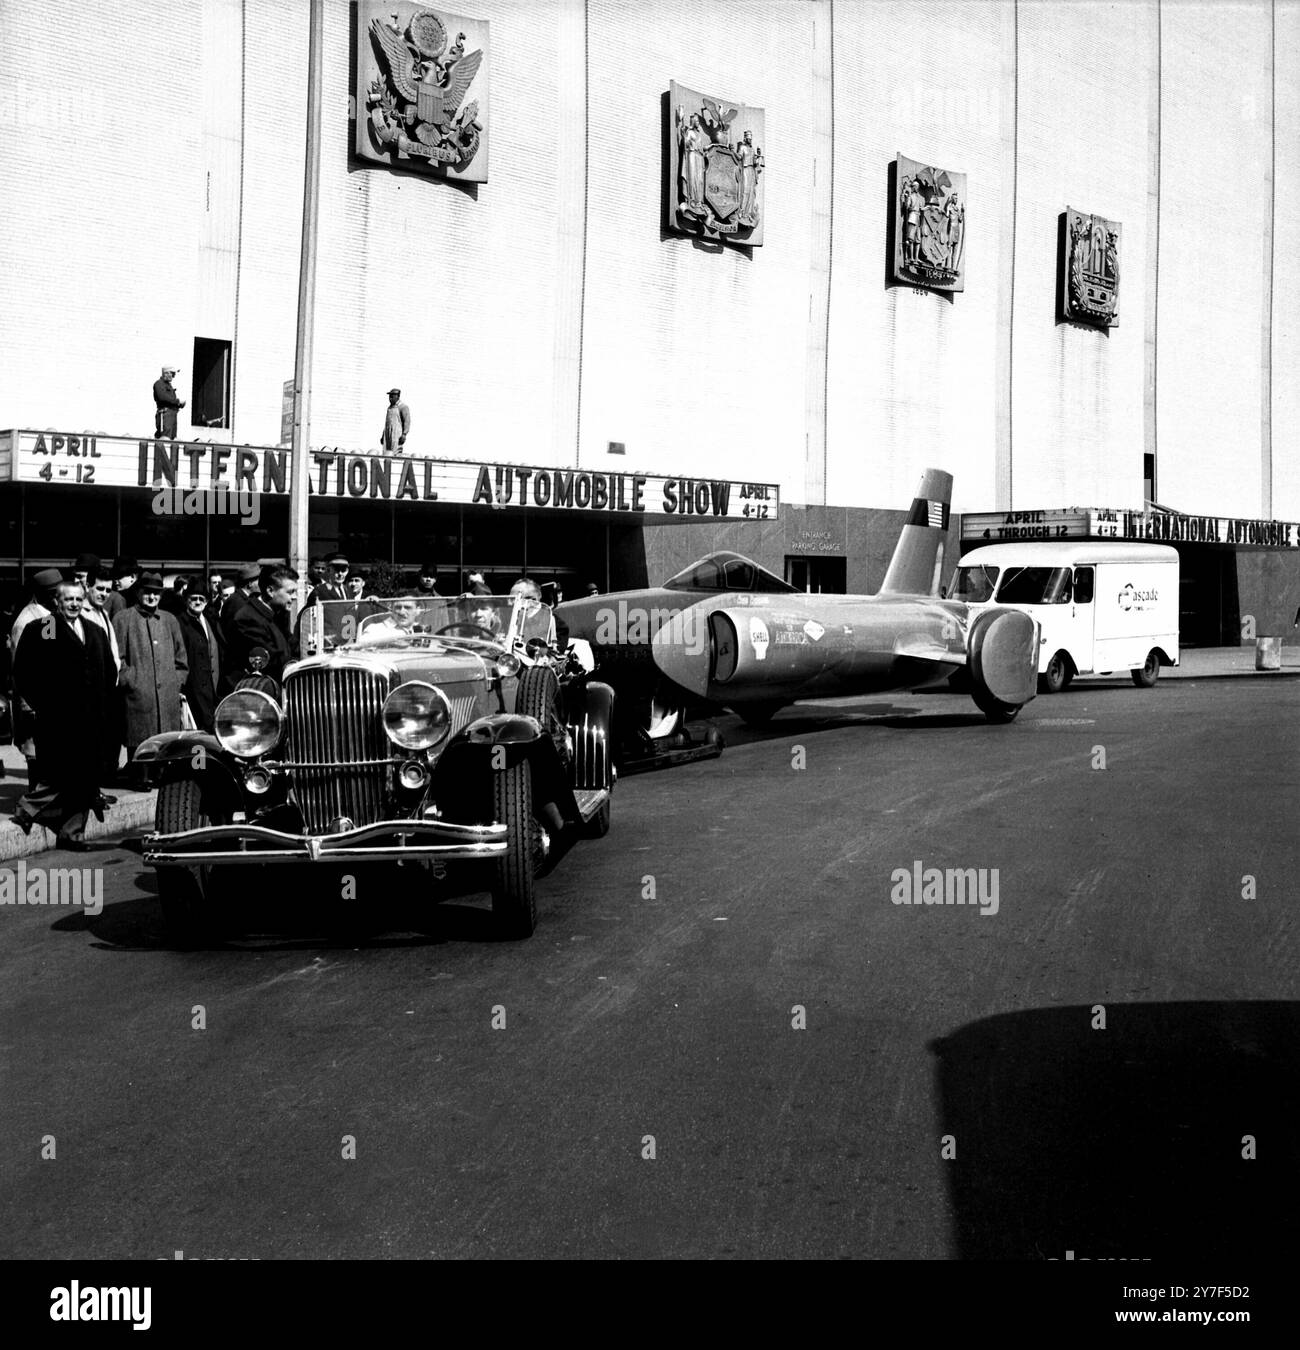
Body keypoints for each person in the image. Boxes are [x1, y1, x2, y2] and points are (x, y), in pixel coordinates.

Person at [11, 581, 117, 849]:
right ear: (57, 602)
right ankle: (28, 807)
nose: (74, 604)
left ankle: (73, 834)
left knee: (87, 776)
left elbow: (108, 671)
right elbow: (27, 670)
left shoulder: (94, 630)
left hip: (92, 718)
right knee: (61, 772)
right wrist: (42, 703)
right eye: (68, 599)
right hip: (58, 718)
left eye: (79, 599)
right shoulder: (47, 627)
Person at [113, 572, 189, 784]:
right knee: (140, 738)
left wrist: (176, 682)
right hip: (138, 695)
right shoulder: (123, 619)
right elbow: (117, 658)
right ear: (138, 593)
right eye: (147, 593)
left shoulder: (169, 620)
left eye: (156, 593)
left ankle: (161, 776)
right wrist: (131, 681)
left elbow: (181, 658)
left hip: (166, 695)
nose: (152, 597)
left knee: (165, 740)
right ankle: (140, 777)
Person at [229, 566, 298, 682]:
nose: (294, 597)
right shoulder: (247, 618)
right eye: (290, 592)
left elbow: (293, 645)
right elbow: (271, 661)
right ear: (270, 591)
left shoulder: (277, 613)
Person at [177, 589, 223, 733]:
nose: (197, 602)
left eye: (201, 599)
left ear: (207, 602)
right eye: (194, 598)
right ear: (186, 600)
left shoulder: (210, 620)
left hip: (212, 689)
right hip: (193, 690)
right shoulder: (180, 622)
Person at [153, 366, 186, 439]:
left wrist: (179, 405)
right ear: (166, 373)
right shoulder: (159, 384)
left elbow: (169, 400)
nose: (173, 376)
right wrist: (177, 401)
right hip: (165, 414)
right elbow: (163, 397)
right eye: (172, 374)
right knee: (165, 437)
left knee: (172, 438)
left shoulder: (168, 385)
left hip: (172, 414)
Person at [381, 388, 410, 454]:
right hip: (387, 434)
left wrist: (404, 434)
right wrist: (383, 435)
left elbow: (407, 421)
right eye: (390, 396)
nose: (390, 398)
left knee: (396, 452)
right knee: (386, 453)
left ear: (397, 396)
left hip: (397, 435)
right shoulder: (389, 408)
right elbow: (387, 423)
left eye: (392, 396)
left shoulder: (403, 407)